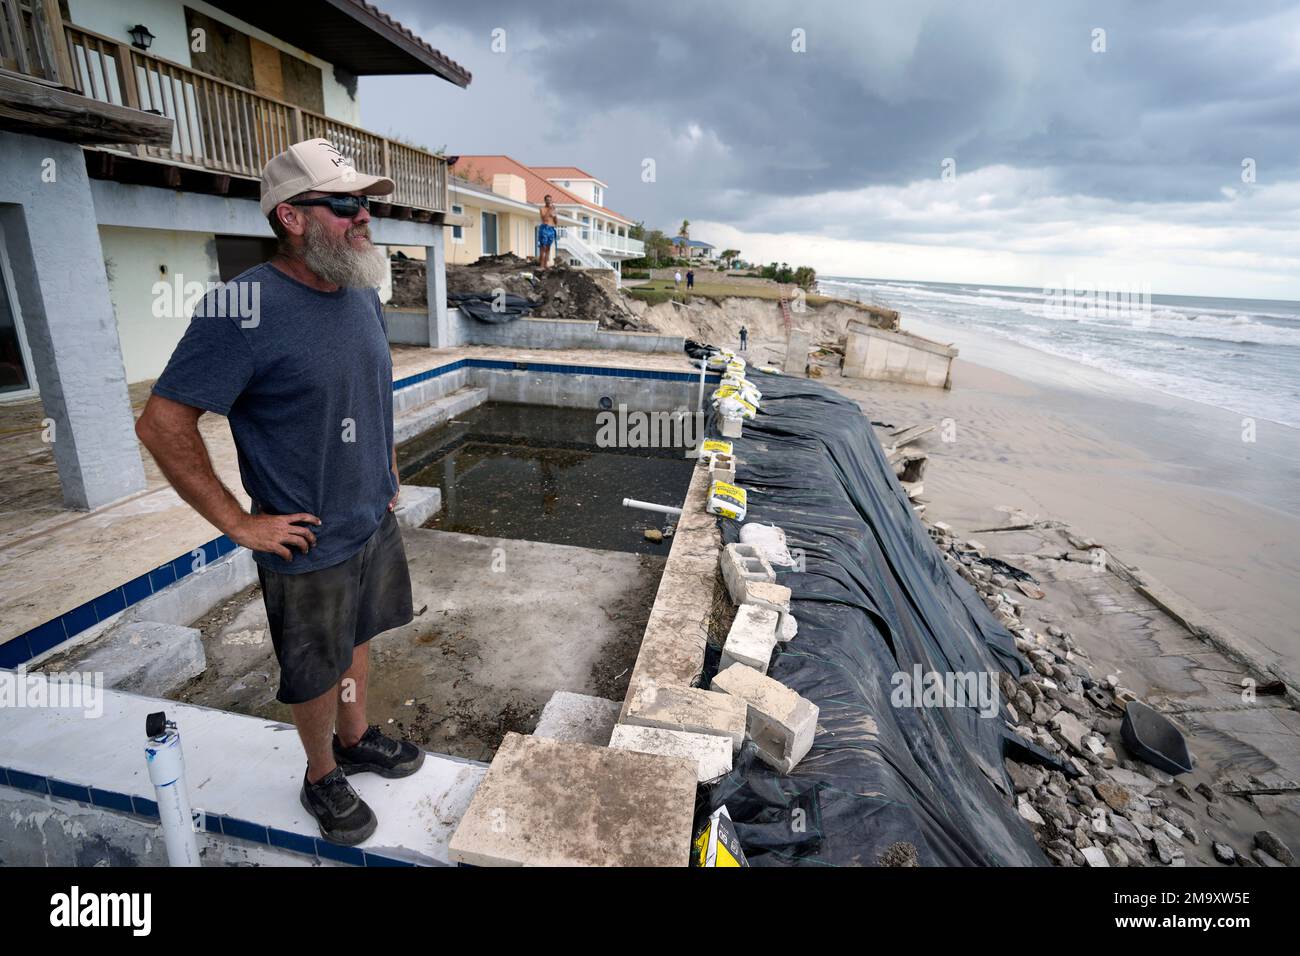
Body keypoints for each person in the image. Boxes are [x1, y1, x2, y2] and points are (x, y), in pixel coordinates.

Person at [135, 138, 420, 847]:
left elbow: (373, 389)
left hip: (369, 515)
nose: (364, 218)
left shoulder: (359, 289)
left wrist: (385, 473)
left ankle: (355, 740)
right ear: (291, 217)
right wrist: (239, 522)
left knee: (360, 636)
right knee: (314, 664)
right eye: (347, 203)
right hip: (305, 533)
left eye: (367, 204)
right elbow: (163, 423)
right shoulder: (241, 308)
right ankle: (321, 772)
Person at [538, 194, 558, 270]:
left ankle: (545, 265)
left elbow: (556, 222)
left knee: (548, 248)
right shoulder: (542, 209)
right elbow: (544, 218)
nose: (549, 201)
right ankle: (541, 265)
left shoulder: (553, 210)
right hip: (544, 228)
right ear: (545, 201)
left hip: (551, 229)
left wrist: (555, 215)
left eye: (550, 200)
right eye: (547, 200)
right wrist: (549, 210)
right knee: (543, 247)